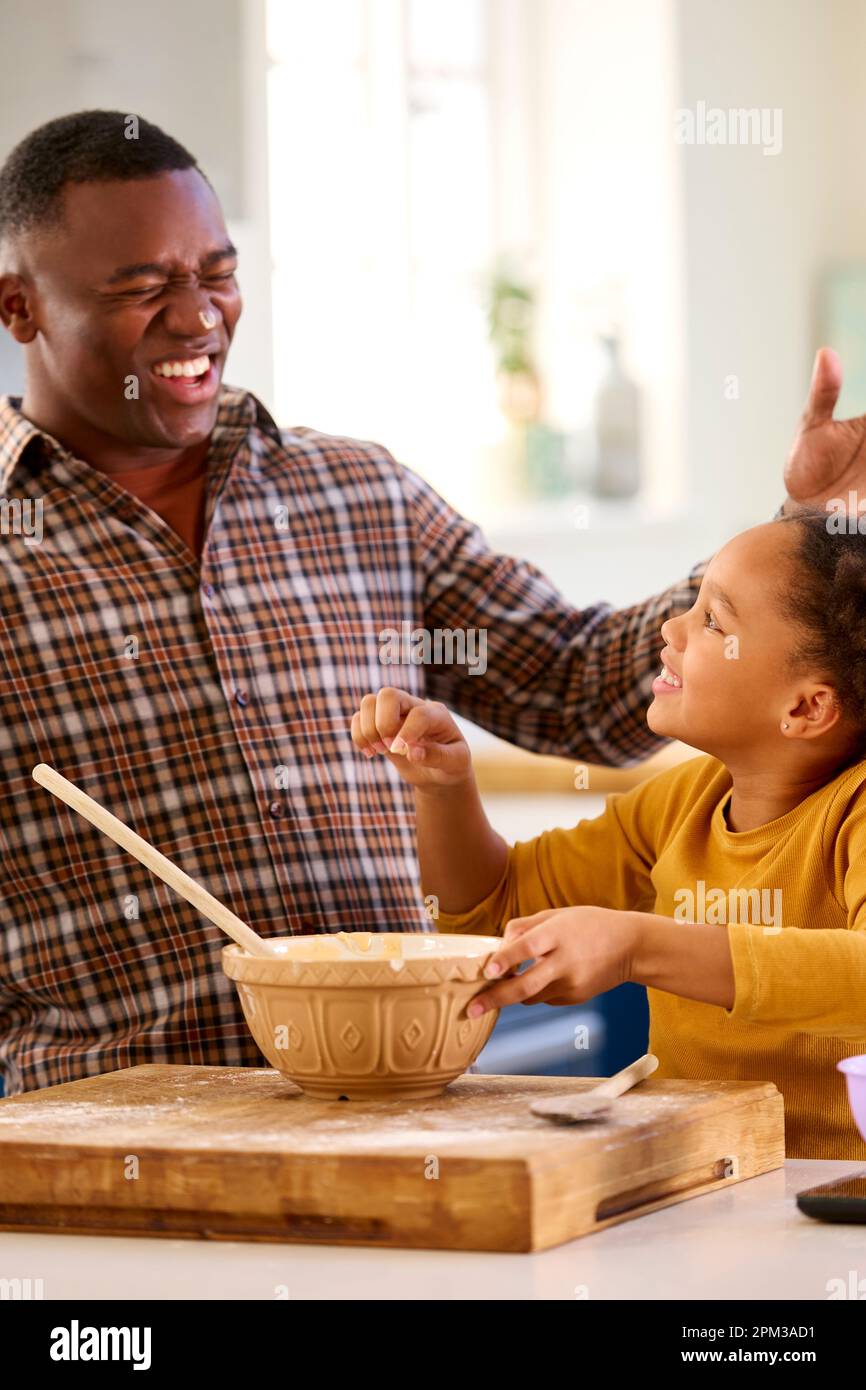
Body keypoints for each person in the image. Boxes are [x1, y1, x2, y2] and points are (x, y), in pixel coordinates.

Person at [0, 109, 862, 1097]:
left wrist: (807, 529)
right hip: (107, 1130)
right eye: (143, 287)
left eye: (217, 274)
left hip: (402, 1110)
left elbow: (580, 688)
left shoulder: (358, 493)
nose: (197, 316)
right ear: (20, 307)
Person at [351, 513, 866, 1158]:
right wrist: (445, 789)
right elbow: (496, 907)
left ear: (805, 708)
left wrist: (639, 946)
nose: (670, 628)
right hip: (701, 1193)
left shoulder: (855, 810)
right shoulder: (684, 801)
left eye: (713, 621)